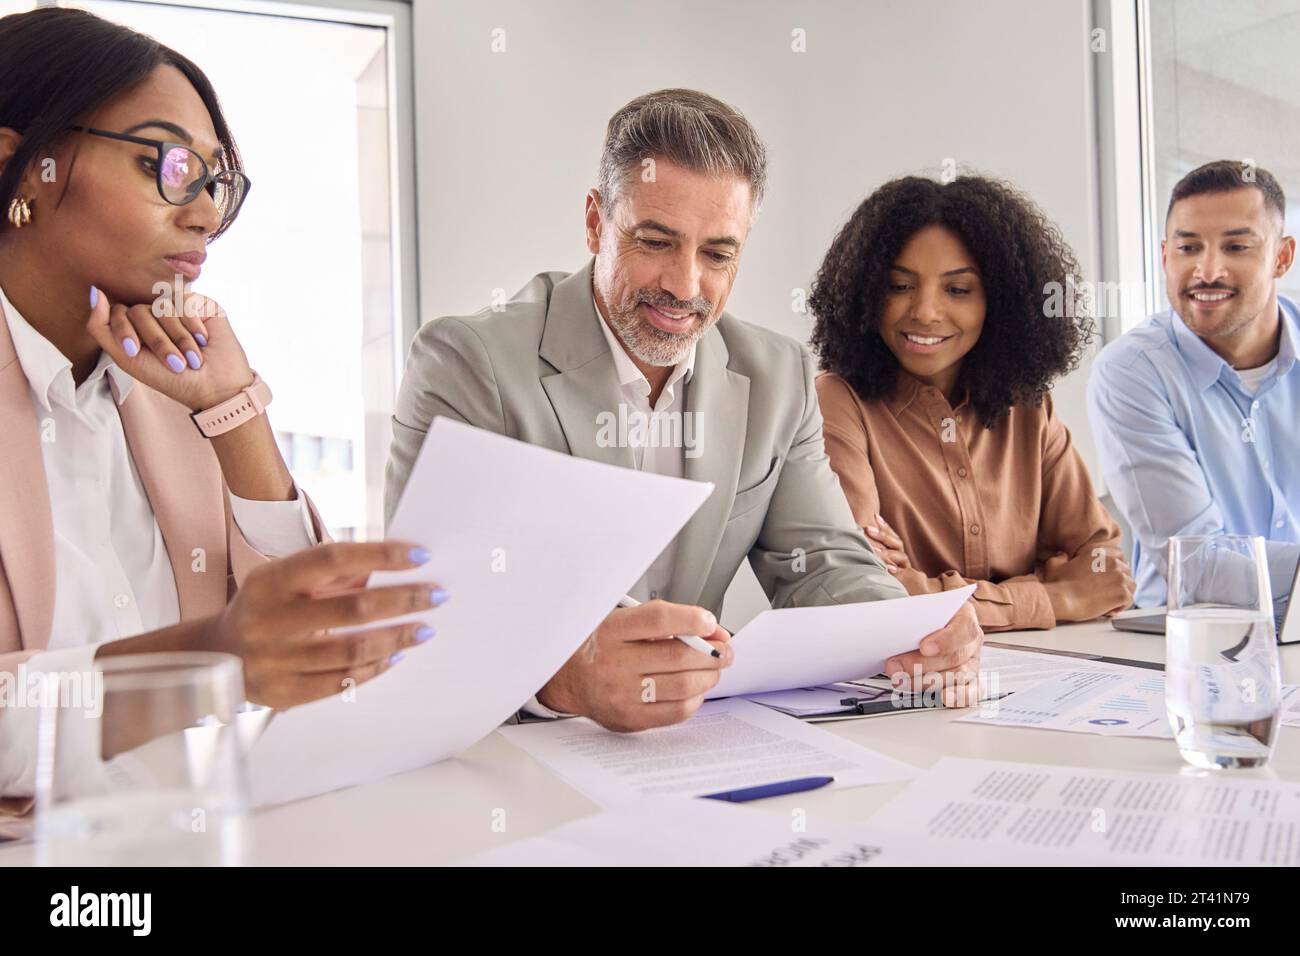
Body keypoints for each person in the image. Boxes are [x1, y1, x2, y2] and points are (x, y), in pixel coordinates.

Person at [387, 89, 983, 733]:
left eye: (717, 254)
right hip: (506, 752)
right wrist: (562, 680)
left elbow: (824, 562)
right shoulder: (467, 361)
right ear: (595, 222)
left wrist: (910, 629)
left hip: (690, 750)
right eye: (655, 241)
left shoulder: (777, 374)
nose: (685, 285)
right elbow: (426, 603)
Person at [0, 8, 446, 805]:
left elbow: (303, 641)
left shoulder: (171, 387)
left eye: (214, 179)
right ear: (18, 167)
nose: (205, 212)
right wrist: (205, 657)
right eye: (164, 165)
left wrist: (236, 411)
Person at [811, 174, 1134, 631]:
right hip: (908, 683)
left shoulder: (1029, 407)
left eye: (958, 290)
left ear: (999, 302)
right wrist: (1054, 597)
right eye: (900, 285)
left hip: (1051, 671)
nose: (924, 310)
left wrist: (931, 590)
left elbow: (1103, 566)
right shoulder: (838, 403)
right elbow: (872, 592)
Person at [1088, 160, 1300, 607]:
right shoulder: (1132, 372)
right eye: (1189, 249)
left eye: (1236, 247)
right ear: (1165, 256)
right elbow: (1199, 566)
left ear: (1282, 257)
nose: (1208, 271)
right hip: (1189, 645)